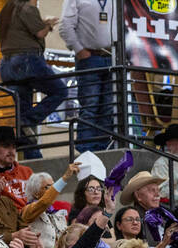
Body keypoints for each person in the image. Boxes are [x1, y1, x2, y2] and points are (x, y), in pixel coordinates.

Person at [0, 0, 67, 156]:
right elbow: (40, 32)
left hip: (7, 65)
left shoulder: (8, 10)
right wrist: (48, 25)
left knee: (24, 122)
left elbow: (24, 30)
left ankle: (33, 160)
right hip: (27, 60)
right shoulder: (28, 8)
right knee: (60, 91)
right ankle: (30, 119)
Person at [58, 0, 115, 153]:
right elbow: (65, 25)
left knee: (109, 106)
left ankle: (104, 148)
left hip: (114, 57)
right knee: (90, 105)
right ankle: (86, 150)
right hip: (90, 57)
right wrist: (79, 50)